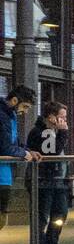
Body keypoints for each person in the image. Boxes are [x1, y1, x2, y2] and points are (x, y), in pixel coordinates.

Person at [26, 100, 69, 244]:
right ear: (51, 117)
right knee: (42, 215)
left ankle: (52, 243)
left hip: (58, 181)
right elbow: (53, 152)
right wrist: (63, 132)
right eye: (62, 117)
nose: (64, 121)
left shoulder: (55, 132)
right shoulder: (42, 131)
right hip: (43, 181)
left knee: (60, 212)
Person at [0, 86, 39, 229]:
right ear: (15, 100)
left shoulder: (10, 116)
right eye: (25, 106)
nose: (26, 111)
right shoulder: (3, 116)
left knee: (2, 216)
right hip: (2, 175)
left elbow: (14, 142)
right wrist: (24, 153)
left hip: (5, 174)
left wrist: (28, 151)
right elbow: (4, 147)